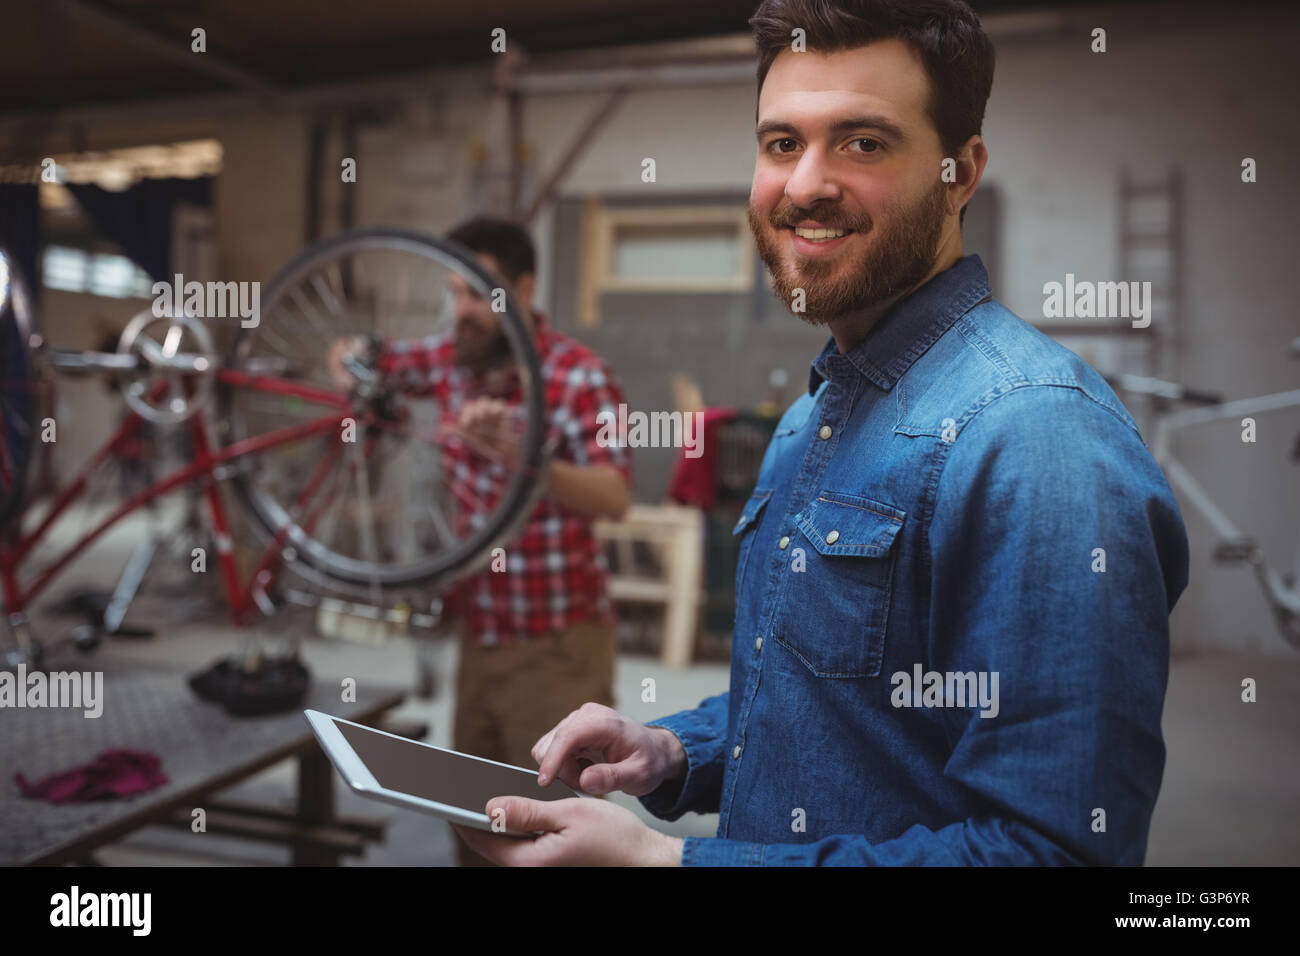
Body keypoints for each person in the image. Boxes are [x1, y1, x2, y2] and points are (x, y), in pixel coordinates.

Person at [453, 0, 1190, 866]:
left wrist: (664, 862)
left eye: (863, 142)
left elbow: (1051, 853)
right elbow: (829, 702)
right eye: (781, 143)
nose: (805, 185)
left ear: (960, 172)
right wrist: (676, 750)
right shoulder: (813, 419)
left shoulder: (1038, 438)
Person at [328, 216, 632, 867]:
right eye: (454, 292)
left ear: (523, 289)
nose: (462, 311)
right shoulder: (452, 358)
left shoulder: (579, 376)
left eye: (479, 294)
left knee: (560, 836)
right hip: (482, 636)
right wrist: (350, 357)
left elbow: (614, 496)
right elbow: (371, 356)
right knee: (476, 826)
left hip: (558, 645)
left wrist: (522, 457)